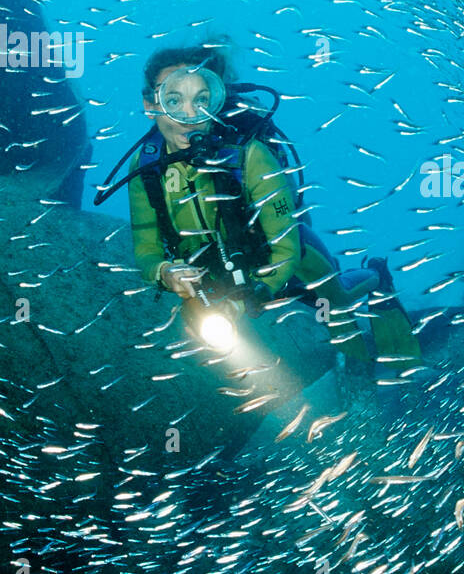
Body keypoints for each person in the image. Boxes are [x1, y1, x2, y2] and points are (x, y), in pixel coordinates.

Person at [102, 43, 425, 382]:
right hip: (220, 271)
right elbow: (147, 249)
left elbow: (285, 248)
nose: (189, 114)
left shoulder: (250, 156)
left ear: (215, 99)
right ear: (150, 105)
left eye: (200, 99)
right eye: (173, 99)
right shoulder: (146, 168)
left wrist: (249, 298)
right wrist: (165, 272)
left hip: (288, 253)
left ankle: (376, 279)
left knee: (336, 304)